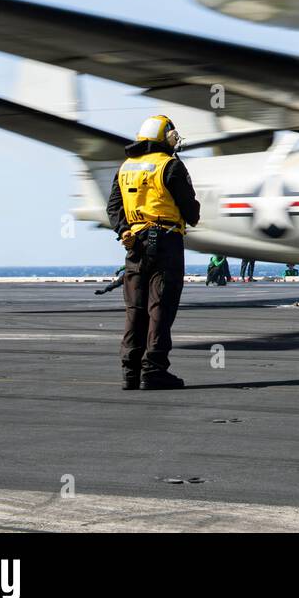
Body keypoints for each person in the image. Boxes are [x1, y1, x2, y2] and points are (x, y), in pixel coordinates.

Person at [106, 115, 200, 391]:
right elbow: (191, 211)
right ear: (163, 136)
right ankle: (155, 370)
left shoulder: (125, 168)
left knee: (135, 308)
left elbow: (113, 207)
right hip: (166, 242)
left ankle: (130, 372)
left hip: (133, 242)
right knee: (160, 306)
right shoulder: (170, 166)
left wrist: (124, 230)